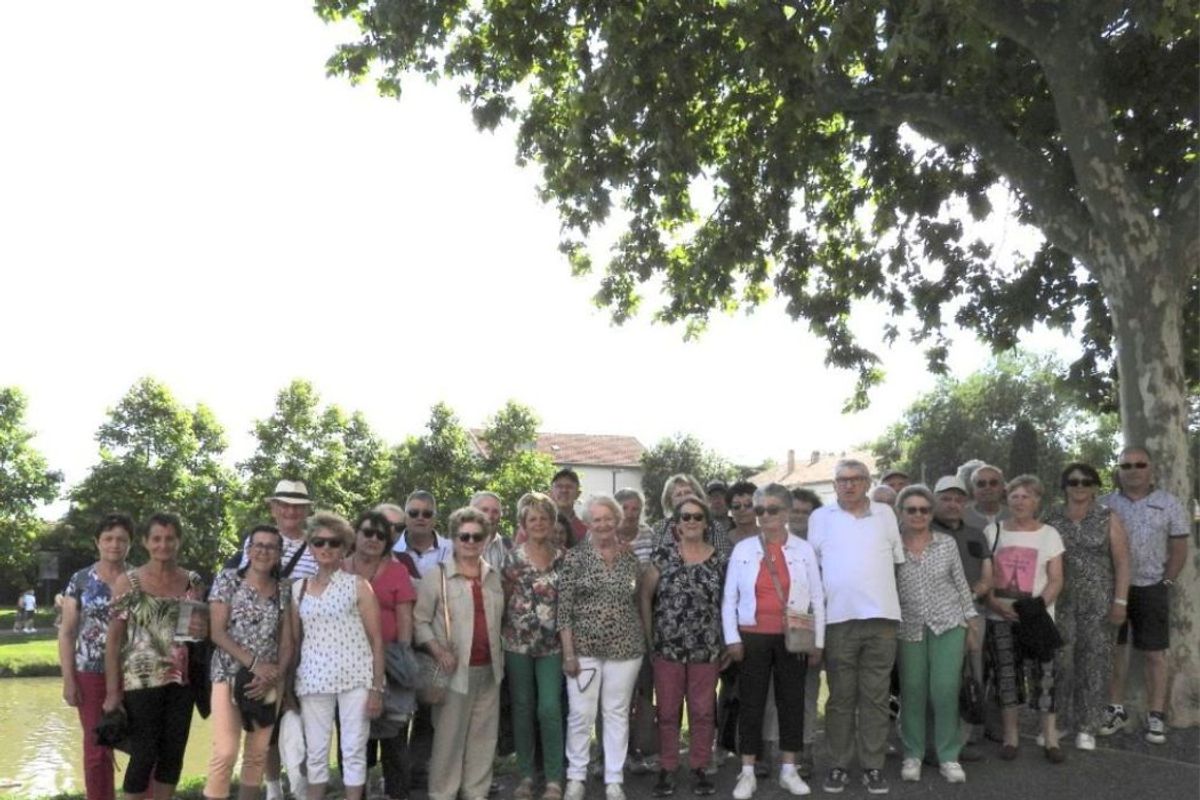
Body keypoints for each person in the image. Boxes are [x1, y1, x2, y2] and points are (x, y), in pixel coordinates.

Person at [808, 459, 904, 795]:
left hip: (881, 620)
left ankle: (873, 766)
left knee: (876, 698)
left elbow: (895, 562)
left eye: (855, 479)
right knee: (840, 698)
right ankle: (838, 765)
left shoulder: (886, 515)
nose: (848, 485)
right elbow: (814, 569)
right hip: (838, 620)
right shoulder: (820, 518)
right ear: (834, 485)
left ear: (867, 482)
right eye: (842, 480)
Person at [722, 484, 824, 799]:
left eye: (773, 509)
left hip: (792, 637)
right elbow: (729, 598)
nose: (765, 515)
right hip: (752, 635)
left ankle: (789, 770)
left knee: (791, 702)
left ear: (787, 512)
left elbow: (818, 597)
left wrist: (818, 642)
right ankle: (748, 771)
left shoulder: (804, 549)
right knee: (751, 704)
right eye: (760, 509)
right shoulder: (743, 549)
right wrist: (732, 638)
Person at [103, 512, 208, 800]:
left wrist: (203, 628)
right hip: (140, 682)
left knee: (173, 754)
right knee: (144, 753)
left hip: (181, 682)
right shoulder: (129, 582)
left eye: (170, 538)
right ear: (146, 543)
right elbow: (113, 641)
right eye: (157, 539)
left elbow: (195, 636)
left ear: (179, 542)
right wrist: (113, 692)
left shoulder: (192, 581)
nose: (164, 545)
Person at [291, 512, 385, 800]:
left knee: (353, 751)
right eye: (319, 542)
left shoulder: (358, 586)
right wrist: (286, 687)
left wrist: (376, 688)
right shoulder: (298, 588)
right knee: (316, 754)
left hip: (355, 678)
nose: (326, 548)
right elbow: (294, 642)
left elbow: (377, 640)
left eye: (334, 543)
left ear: (345, 547)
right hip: (313, 680)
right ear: (310, 546)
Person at [1099, 445, 1189, 745]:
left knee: (1154, 655)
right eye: (1126, 466)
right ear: (1118, 470)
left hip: (1152, 588)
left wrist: (1166, 582)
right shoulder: (1105, 505)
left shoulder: (1169, 503)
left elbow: (1179, 547)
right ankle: (1115, 709)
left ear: (1151, 469)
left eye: (1139, 465)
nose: (1133, 471)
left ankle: (1156, 715)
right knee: (1115, 650)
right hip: (1113, 589)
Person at [414, 507, 505, 800]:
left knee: (483, 738)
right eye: (463, 536)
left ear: (485, 539)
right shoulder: (436, 576)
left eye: (477, 536)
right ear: (453, 539)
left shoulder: (492, 576)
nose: (470, 541)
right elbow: (419, 621)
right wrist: (438, 650)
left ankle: (475, 792)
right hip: (454, 671)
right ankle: (442, 793)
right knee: (448, 740)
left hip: (489, 669)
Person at [639, 495, 728, 797]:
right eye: (685, 517)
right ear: (676, 525)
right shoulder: (663, 557)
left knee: (703, 711)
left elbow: (728, 604)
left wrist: (728, 641)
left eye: (697, 517)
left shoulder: (718, 559)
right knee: (667, 711)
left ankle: (700, 765)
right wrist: (651, 640)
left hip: (707, 649)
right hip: (668, 649)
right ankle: (667, 766)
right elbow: (644, 598)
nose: (691, 522)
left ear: (706, 523)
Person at [559, 495, 645, 800]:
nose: (604, 524)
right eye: (597, 519)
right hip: (584, 649)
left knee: (616, 713)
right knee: (581, 714)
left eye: (609, 518)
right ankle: (576, 777)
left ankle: (613, 779)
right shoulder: (574, 557)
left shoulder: (629, 557)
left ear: (617, 519)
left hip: (626, 648)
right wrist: (568, 654)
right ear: (587, 523)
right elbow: (563, 611)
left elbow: (636, 600)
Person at [1042, 462, 1131, 751]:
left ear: (1094, 486)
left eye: (1085, 481)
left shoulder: (1107, 517)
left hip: (1099, 603)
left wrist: (1120, 600)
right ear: (1064, 486)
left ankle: (1087, 725)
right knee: (1061, 662)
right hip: (1059, 601)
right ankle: (1061, 722)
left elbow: (1122, 562)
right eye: (1073, 481)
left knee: (1094, 663)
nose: (1079, 487)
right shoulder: (1052, 516)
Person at [894, 485, 976, 785]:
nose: (918, 514)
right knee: (913, 691)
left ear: (931, 513)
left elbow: (961, 582)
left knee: (944, 690)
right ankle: (913, 753)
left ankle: (948, 756)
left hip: (949, 624)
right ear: (901, 513)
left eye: (924, 510)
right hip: (908, 627)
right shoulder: (892, 547)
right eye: (911, 509)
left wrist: (971, 620)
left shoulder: (946, 543)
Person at [205, 525, 294, 800]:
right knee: (225, 751)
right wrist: (255, 664)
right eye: (258, 545)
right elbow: (217, 632)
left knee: (257, 755)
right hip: (228, 674)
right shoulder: (228, 580)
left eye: (271, 547)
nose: (263, 551)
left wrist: (274, 674)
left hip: (267, 681)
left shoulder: (285, 589)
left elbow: (287, 641)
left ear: (279, 554)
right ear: (248, 549)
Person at [983, 475, 1066, 763]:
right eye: (1015, 496)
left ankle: (1051, 739)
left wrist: (1036, 607)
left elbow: (1056, 578)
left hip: (1038, 619)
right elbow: (984, 576)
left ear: (1037, 501)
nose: (1020, 501)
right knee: (1007, 677)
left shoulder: (1049, 535)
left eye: (1027, 496)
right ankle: (1011, 737)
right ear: (1007, 499)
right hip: (1000, 617)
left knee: (1045, 677)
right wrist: (993, 602)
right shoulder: (992, 531)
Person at [249, 480, 317, 800]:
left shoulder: (318, 547)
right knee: (267, 723)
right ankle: (274, 788)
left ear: (306, 510)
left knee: (303, 718)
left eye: (297, 505)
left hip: (308, 649)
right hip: (263, 650)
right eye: (284, 504)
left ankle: (301, 783)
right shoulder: (255, 545)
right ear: (274, 508)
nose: (291, 511)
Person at [58, 512, 134, 800]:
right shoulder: (80, 580)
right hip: (90, 674)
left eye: (122, 540)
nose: (115, 544)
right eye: (108, 538)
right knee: (96, 751)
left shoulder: (139, 579)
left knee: (144, 747)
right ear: (97, 542)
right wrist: (68, 680)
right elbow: (66, 632)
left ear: (130, 544)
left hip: (133, 675)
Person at [344, 511, 418, 800]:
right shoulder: (341, 569)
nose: (373, 539)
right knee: (354, 743)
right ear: (356, 534)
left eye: (380, 535)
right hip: (348, 665)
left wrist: (400, 661)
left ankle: (397, 794)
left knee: (395, 744)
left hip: (390, 663)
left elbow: (406, 621)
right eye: (367, 532)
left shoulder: (398, 571)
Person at [502, 493, 566, 800]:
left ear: (553, 522)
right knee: (523, 708)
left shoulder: (564, 557)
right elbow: (502, 597)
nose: (538, 523)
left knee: (550, 708)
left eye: (544, 518)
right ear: (523, 525)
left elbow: (570, 605)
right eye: (532, 519)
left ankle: (554, 778)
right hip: (517, 644)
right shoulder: (512, 558)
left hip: (553, 646)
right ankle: (526, 776)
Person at [930, 475, 992, 756]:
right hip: (930, 616)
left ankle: (961, 742)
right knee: (934, 681)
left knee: (969, 678)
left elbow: (987, 576)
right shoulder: (921, 529)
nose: (952, 504)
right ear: (934, 500)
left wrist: (973, 594)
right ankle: (930, 742)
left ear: (965, 503)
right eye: (945, 498)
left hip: (971, 615)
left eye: (958, 499)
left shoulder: (976, 534)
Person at [715, 481, 758, 768]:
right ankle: (724, 744)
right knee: (728, 687)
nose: (743, 511)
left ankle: (754, 749)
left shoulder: (768, 536)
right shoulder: (720, 538)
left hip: (759, 623)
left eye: (748, 504)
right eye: (736, 506)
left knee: (755, 689)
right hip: (724, 621)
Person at [786, 488, 822, 775]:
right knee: (781, 695)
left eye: (804, 512)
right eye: (794, 510)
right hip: (776, 626)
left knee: (808, 692)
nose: (798, 516)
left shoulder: (823, 546)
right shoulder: (774, 543)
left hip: (811, 627)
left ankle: (806, 751)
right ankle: (781, 751)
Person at [652, 474, 732, 557]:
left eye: (688, 492)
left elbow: (724, 563)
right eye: (678, 494)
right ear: (670, 502)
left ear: (697, 496)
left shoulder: (715, 528)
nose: (684, 498)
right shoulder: (659, 528)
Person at [392, 490, 452, 578]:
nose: (420, 518)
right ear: (405, 517)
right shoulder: (391, 550)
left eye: (427, 514)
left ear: (434, 519)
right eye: (413, 513)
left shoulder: (451, 550)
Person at [550, 469, 588, 546]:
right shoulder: (537, 526)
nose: (564, 490)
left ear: (578, 494)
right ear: (550, 492)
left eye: (569, 487)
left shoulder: (585, 531)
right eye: (559, 486)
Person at [965, 465, 1008, 531]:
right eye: (981, 484)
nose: (987, 487)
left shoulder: (1014, 515)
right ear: (973, 489)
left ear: (1002, 487)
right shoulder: (960, 518)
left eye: (993, 483)